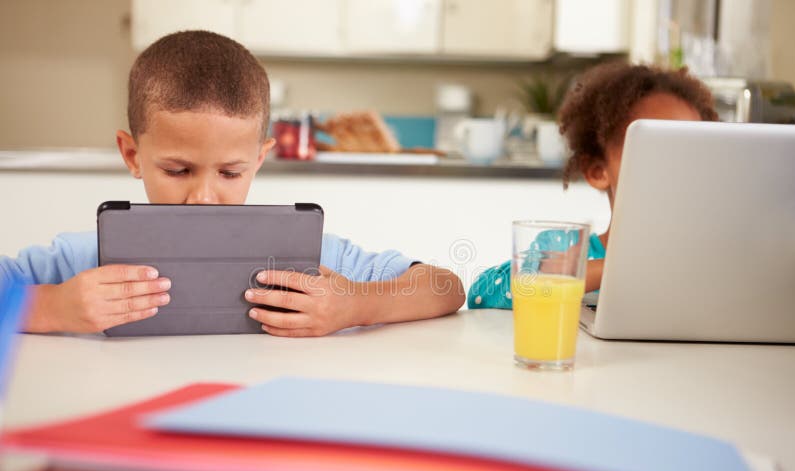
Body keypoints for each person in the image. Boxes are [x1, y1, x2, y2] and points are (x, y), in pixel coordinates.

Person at [0, 30, 465, 336]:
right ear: (132, 156)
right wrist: (54, 306)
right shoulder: (83, 261)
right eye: (178, 170)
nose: (203, 198)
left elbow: (445, 287)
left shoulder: (307, 260)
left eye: (229, 173)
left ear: (258, 160)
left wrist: (356, 304)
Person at [468, 62, 718, 309]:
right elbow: (482, 293)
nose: (678, 169)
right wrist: (596, 270)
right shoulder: (568, 251)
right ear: (598, 172)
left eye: (692, 153)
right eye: (657, 151)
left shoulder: (711, 259)